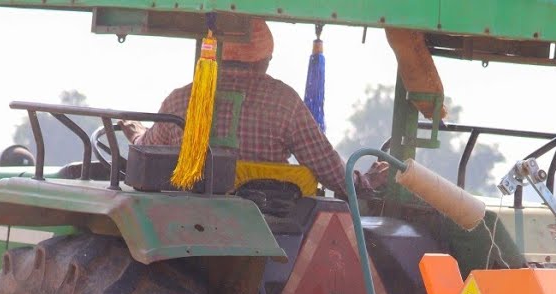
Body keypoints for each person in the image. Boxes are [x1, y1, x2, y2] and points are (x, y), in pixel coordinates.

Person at [124, 19, 383, 195]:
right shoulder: (283, 103)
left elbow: (146, 148)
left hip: (182, 222)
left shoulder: (180, 100)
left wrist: (135, 132)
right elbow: (331, 171)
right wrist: (365, 182)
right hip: (265, 226)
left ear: (214, 56)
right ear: (265, 60)